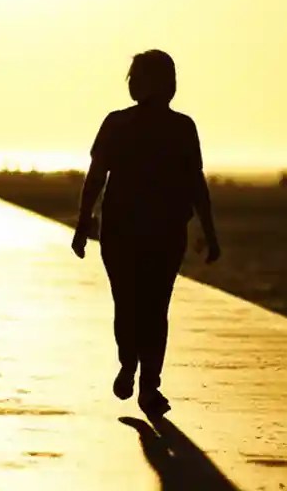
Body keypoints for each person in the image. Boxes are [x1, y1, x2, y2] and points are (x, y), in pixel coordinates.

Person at [70, 50, 221, 418]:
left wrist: (82, 225)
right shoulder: (135, 125)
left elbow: (193, 182)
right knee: (150, 308)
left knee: (137, 305)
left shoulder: (171, 127)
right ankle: (140, 376)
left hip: (142, 232)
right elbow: (97, 176)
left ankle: (141, 376)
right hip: (143, 232)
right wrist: (209, 232)